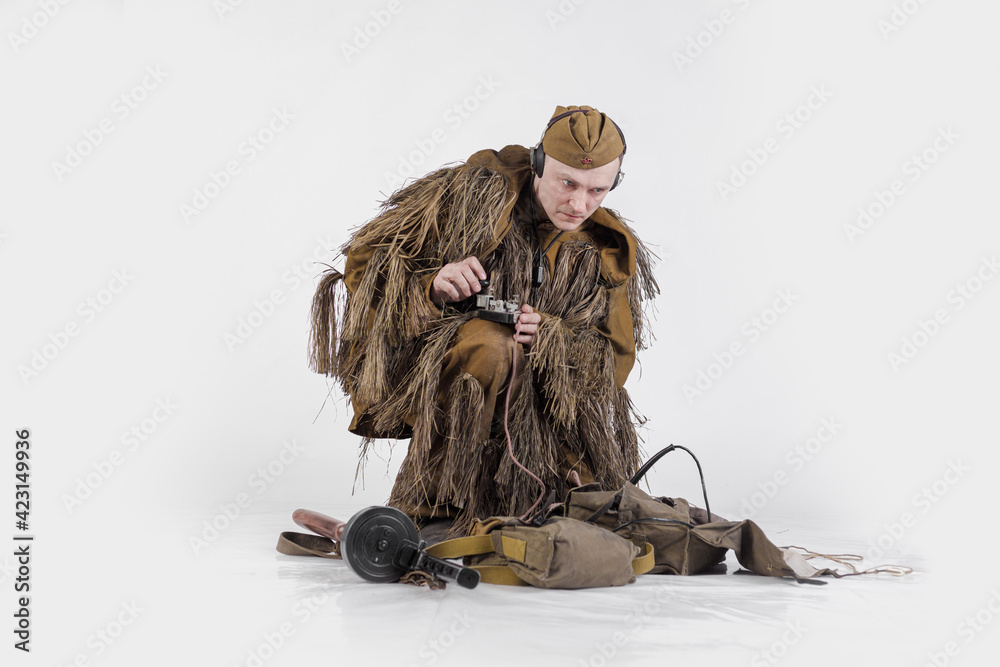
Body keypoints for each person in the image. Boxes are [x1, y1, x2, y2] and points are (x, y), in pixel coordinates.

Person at [309, 105, 658, 537]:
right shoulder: (468, 196)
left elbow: (614, 364)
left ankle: (530, 503)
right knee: (491, 345)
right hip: (452, 374)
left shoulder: (608, 249)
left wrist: (553, 339)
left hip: (549, 419)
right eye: (567, 183)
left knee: (591, 523)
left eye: (597, 190)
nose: (579, 204)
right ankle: (432, 505)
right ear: (538, 163)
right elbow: (364, 261)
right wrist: (431, 285)